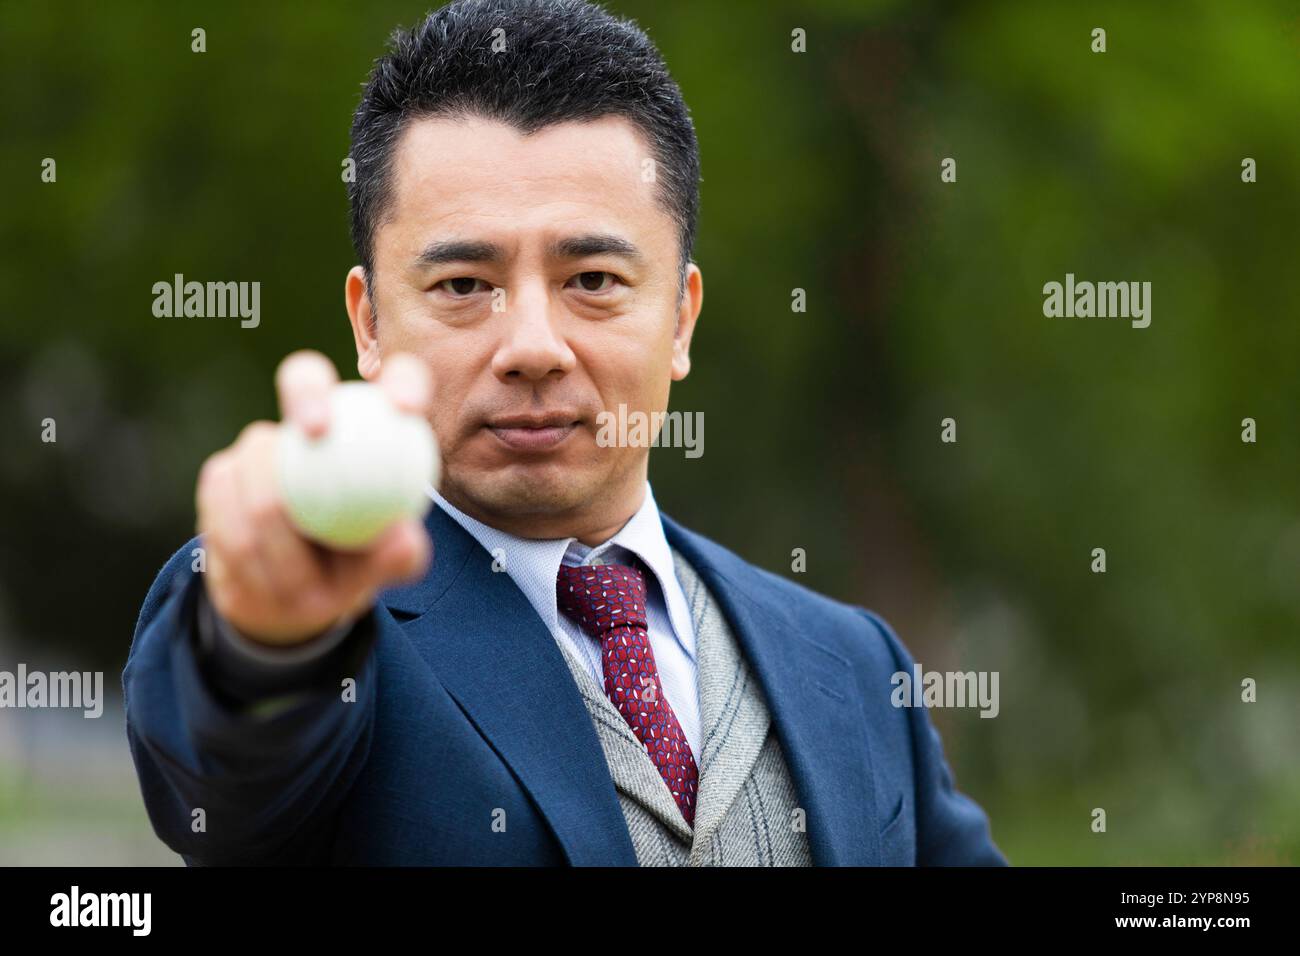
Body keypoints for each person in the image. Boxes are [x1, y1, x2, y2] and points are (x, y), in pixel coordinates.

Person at [124, 0, 1005, 866]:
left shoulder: (850, 665)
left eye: (592, 277)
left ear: (681, 321)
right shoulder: (316, 624)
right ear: (369, 325)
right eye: (464, 285)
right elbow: (225, 777)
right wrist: (264, 645)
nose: (533, 348)